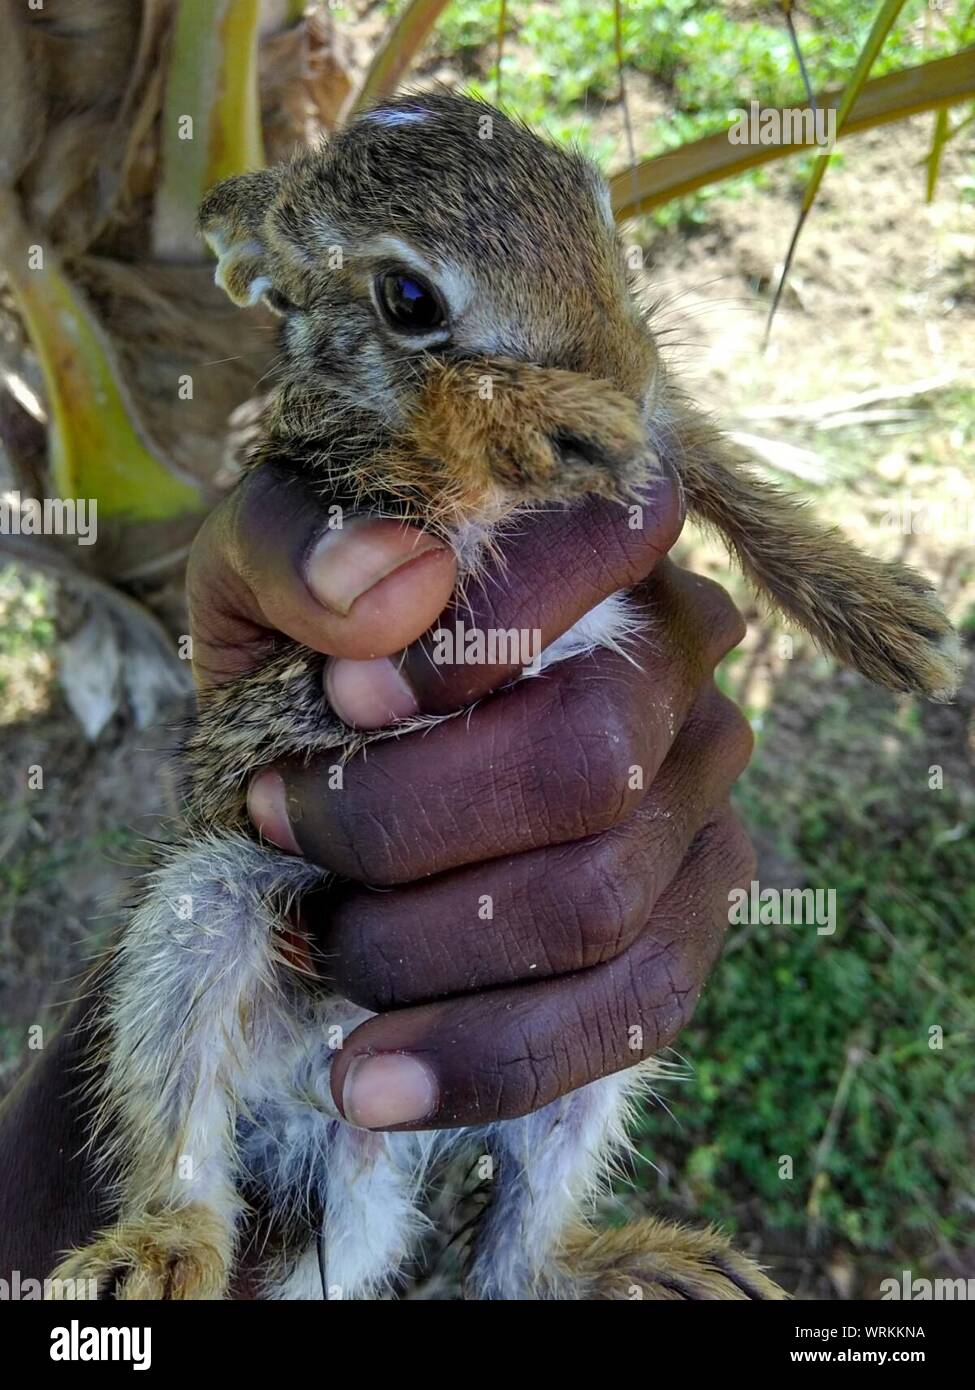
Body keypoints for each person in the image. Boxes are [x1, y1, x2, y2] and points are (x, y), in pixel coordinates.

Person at [0, 459, 756, 1291]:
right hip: (284, 937)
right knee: (206, 900)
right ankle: (181, 1212)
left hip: (431, 992)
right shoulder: (375, 479)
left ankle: (539, 1256)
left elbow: (708, 485)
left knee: (594, 955)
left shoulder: (612, 458)